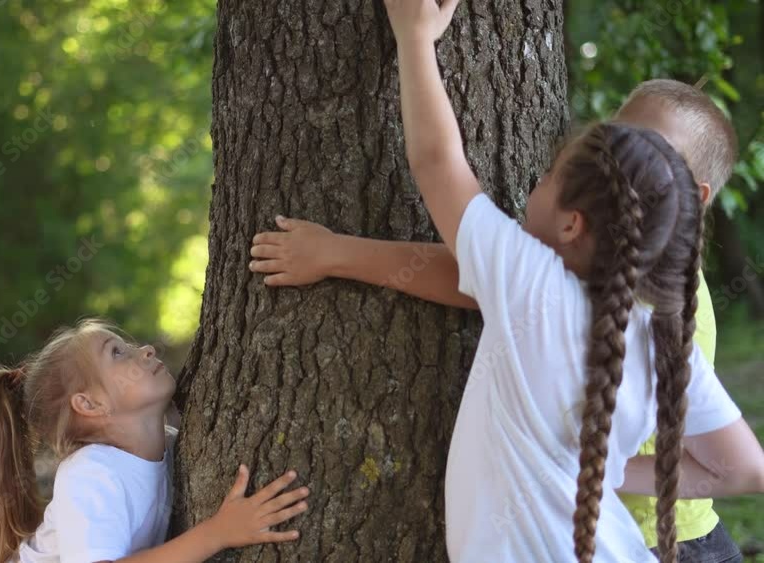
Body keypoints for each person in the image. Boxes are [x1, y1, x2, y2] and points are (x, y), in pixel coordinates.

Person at [254, 1, 764, 561]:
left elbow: (437, 164)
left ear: (575, 221)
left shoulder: (538, 285)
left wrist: (414, 36)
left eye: (549, 175)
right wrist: (600, 468)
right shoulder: (665, 324)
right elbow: (745, 466)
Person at [0, 318, 309, 563]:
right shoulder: (91, 472)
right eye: (117, 353)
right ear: (89, 404)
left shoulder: (174, 443)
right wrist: (218, 532)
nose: (145, 350)